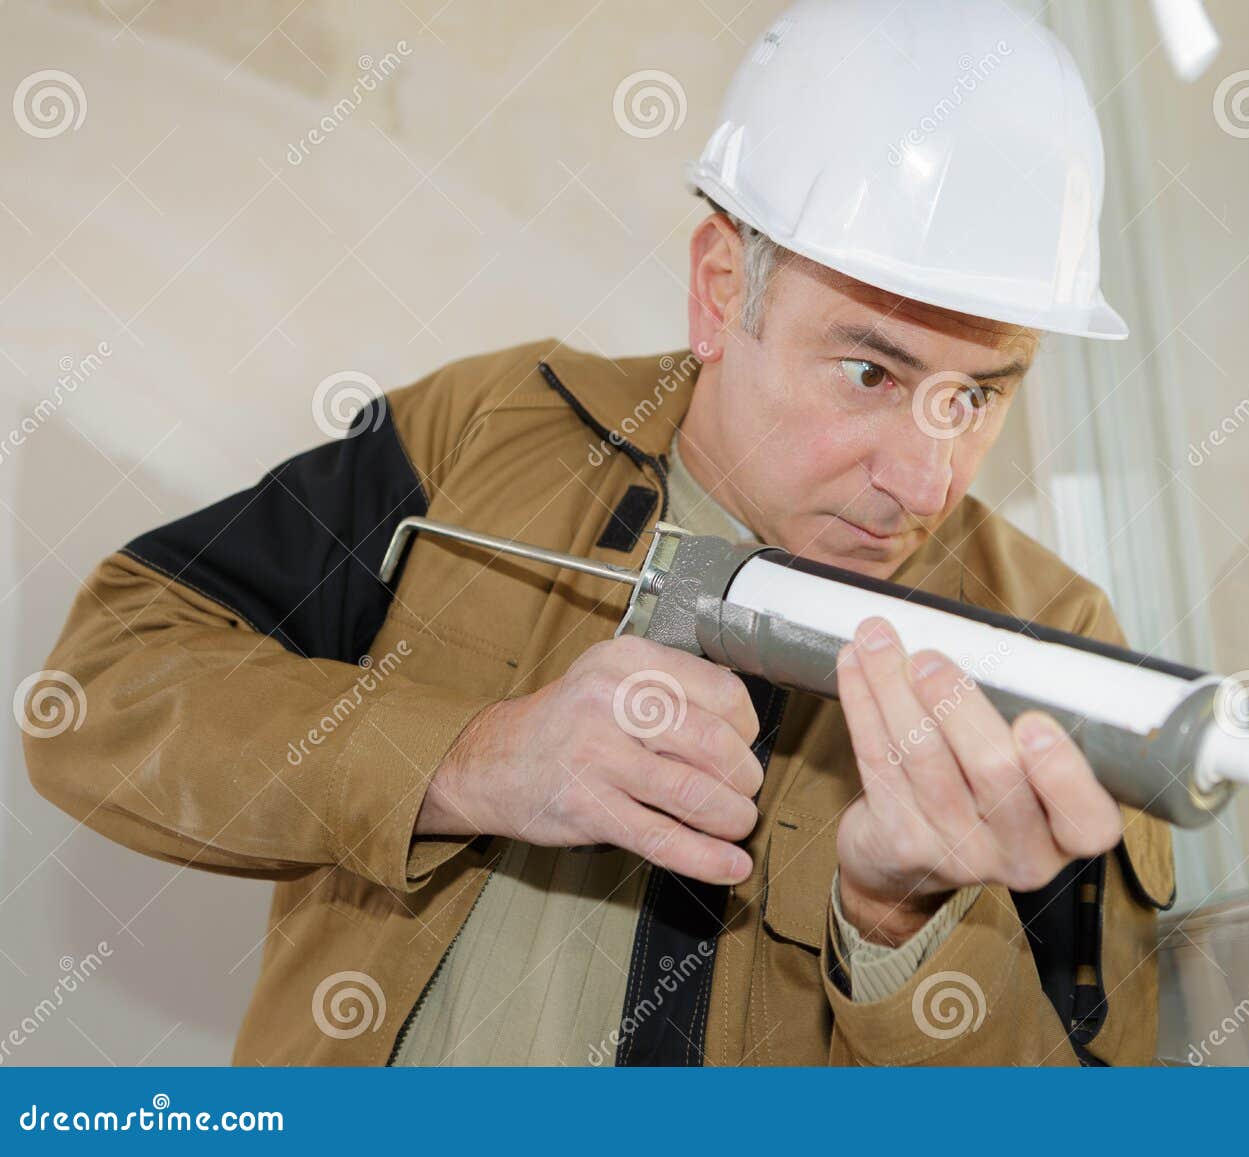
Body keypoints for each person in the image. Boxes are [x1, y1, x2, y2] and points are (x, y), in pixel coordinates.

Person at [23, 0, 1174, 1065]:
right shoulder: (489, 434)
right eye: (870, 368)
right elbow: (102, 687)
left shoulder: (1044, 646)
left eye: (980, 394)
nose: (923, 478)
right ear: (723, 291)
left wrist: (897, 924)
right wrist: (470, 760)